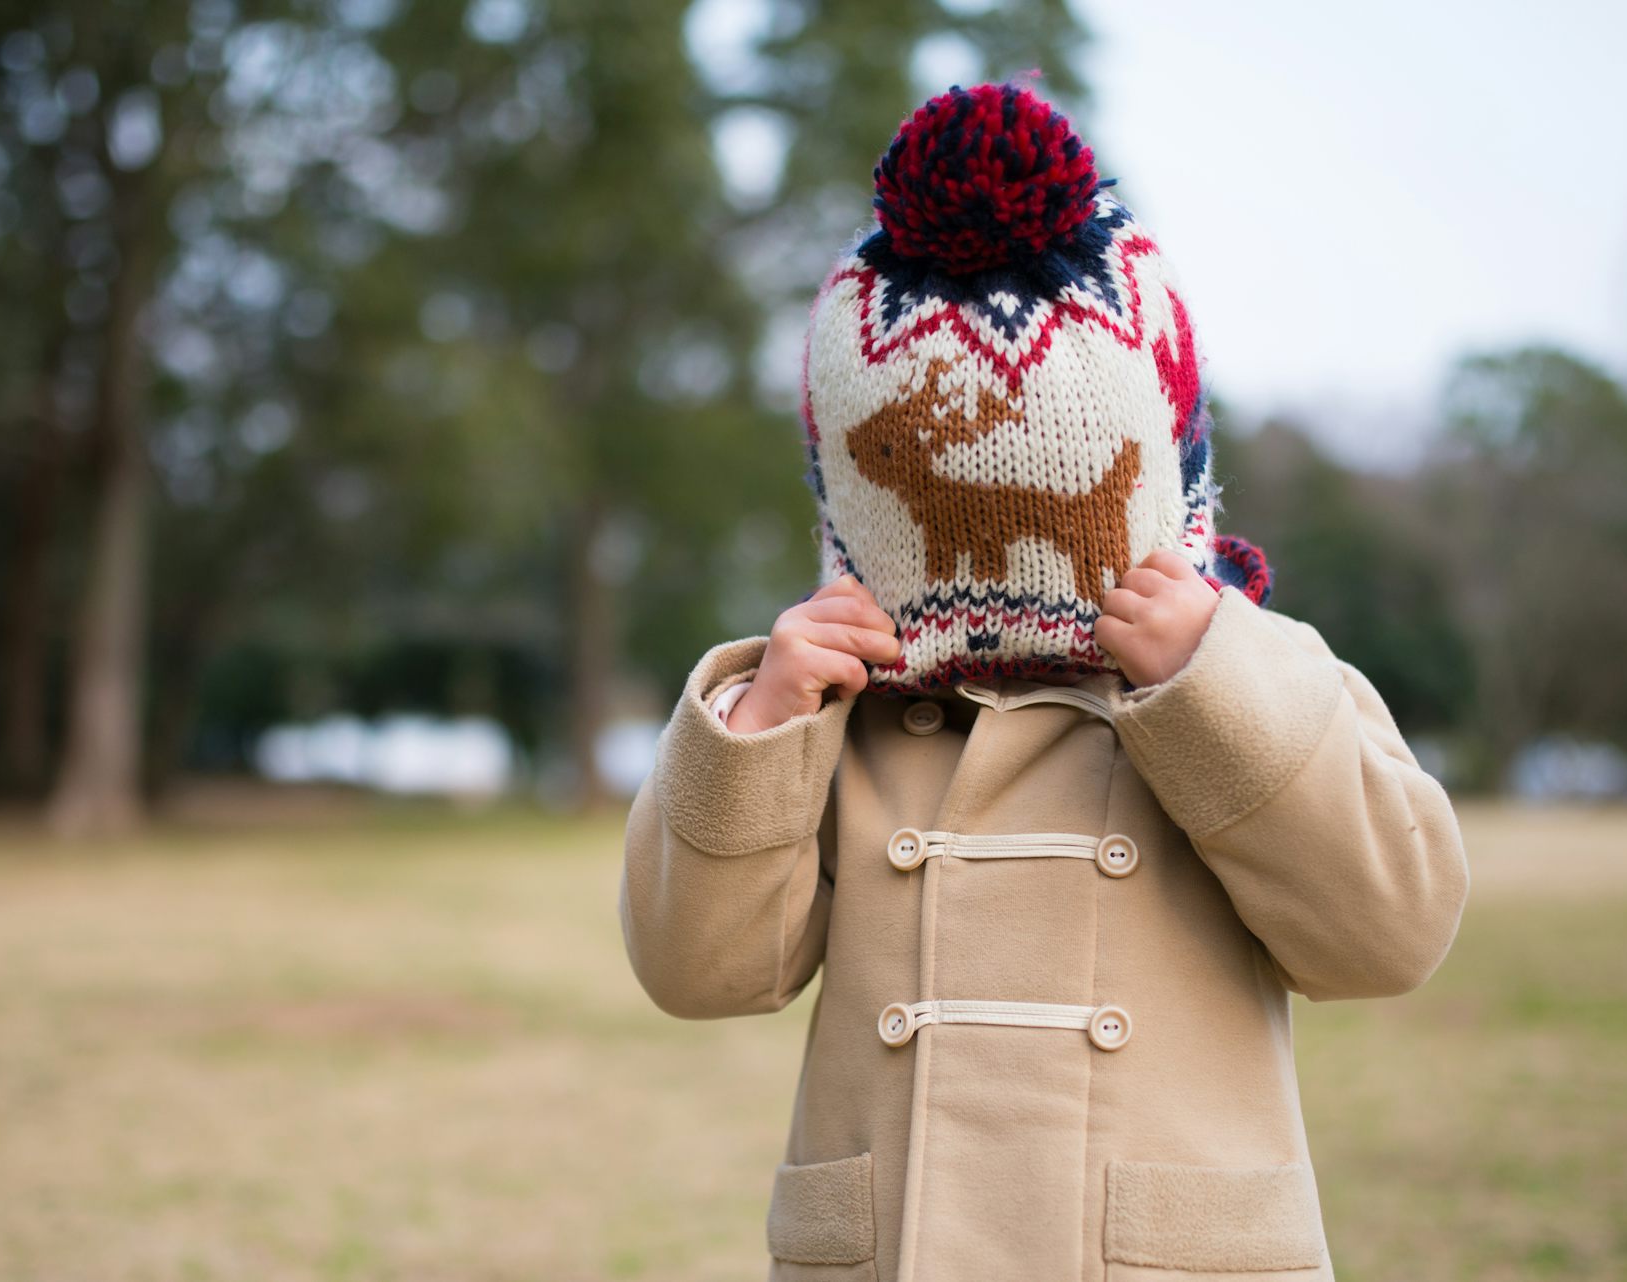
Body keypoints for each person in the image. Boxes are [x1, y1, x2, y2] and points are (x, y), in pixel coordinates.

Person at [618, 81, 1469, 1282]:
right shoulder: (833, 718)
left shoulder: (1247, 683)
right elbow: (696, 972)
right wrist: (756, 726)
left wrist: (1213, 680)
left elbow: (1392, 934)